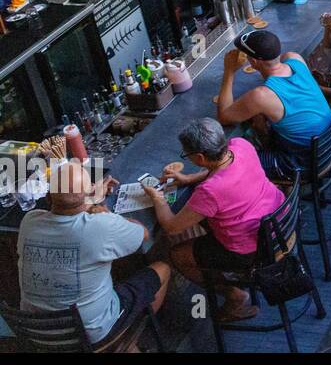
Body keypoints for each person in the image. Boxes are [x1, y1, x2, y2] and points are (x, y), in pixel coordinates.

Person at [18, 159, 171, 346]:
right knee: (162, 269)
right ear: (88, 193)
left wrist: (87, 200)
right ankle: (127, 338)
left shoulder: (29, 221)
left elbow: (67, 207)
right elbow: (143, 234)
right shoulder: (101, 226)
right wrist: (102, 211)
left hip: (38, 333)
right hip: (90, 335)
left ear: (48, 195)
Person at [146, 119, 285, 323]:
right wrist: (189, 179)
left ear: (200, 157)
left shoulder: (210, 192)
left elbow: (171, 227)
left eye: (188, 154)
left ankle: (233, 295)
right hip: (279, 221)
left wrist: (157, 197)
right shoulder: (241, 145)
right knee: (203, 220)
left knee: (177, 255)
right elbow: (221, 168)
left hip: (252, 248)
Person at [216, 29, 331, 179]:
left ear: (254, 62)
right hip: (328, 143)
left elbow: (223, 116)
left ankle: (274, 195)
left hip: (304, 160)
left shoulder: (262, 95)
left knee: (237, 166)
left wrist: (229, 72)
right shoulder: (295, 58)